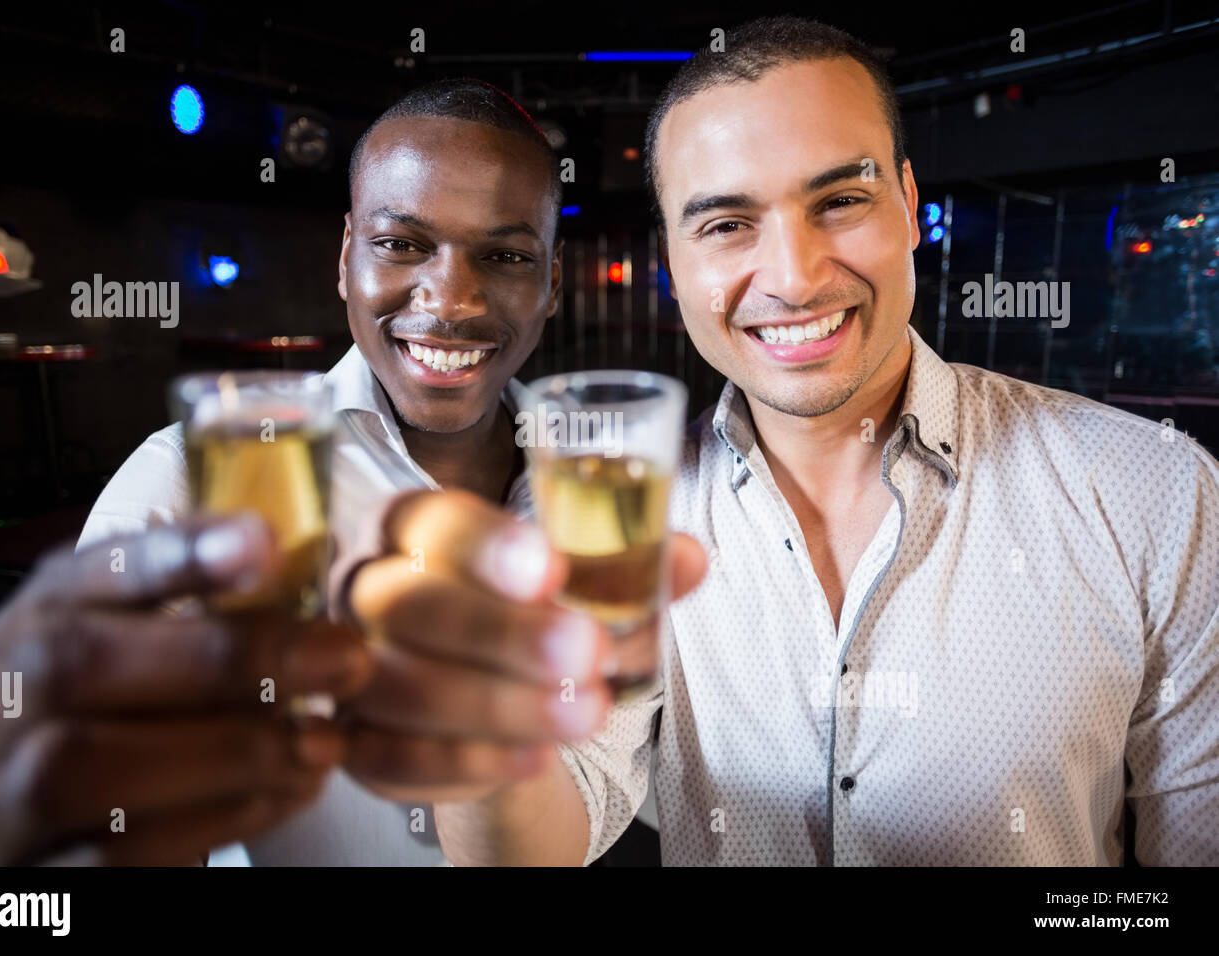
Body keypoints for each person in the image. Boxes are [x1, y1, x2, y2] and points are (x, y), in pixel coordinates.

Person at [429, 15, 1219, 865]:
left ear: (910, 207)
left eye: (840, 202)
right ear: (672, 260)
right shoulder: (613, 511)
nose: (796, 277)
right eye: (727, 224)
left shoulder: (1160, 493)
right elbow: (534, 844)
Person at [0, 79, 704, 866]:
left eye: (503, 256)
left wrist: (471, 724)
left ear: (552, 285)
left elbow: (562, 837)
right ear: (346, 258)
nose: (451, 299)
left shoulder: (606, 499)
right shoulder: (197, 479)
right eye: (402, 245)